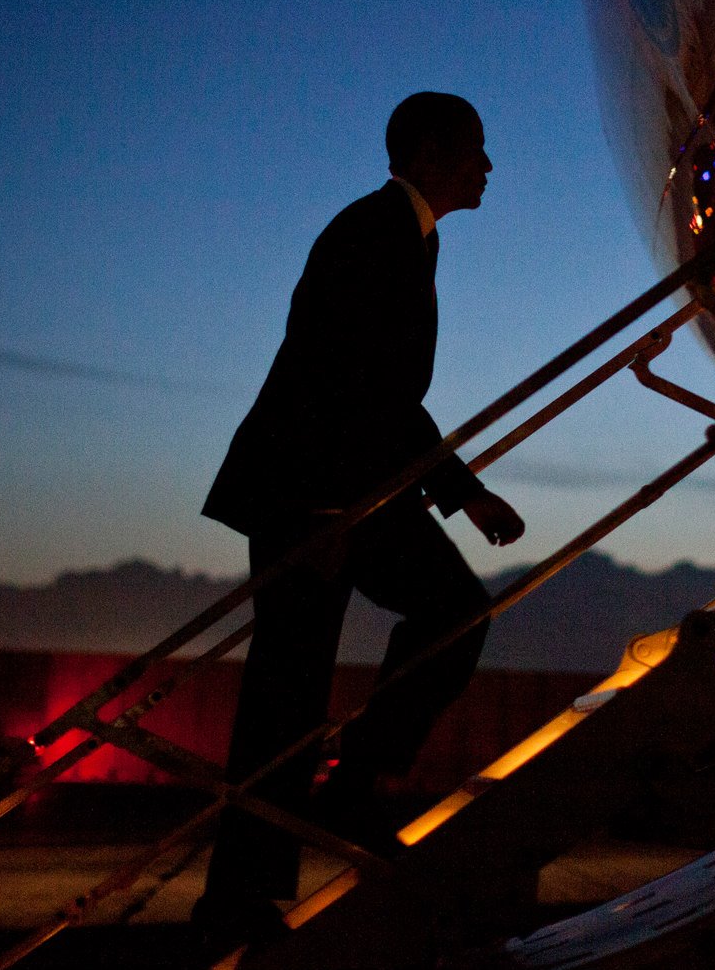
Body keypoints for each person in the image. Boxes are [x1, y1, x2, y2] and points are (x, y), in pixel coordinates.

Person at [192, 92, 526, 947]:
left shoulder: (408, 236)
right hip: (318, 494)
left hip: (344, 491)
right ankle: (287, 849)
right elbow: (343, 382)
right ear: (426, 153)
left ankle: (281, 855)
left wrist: (461, 492)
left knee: (302, 684)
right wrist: (334, 509)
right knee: (295, 688)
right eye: (474, 152)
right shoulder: (374, 235)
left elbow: (381, 395)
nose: (488, 168)